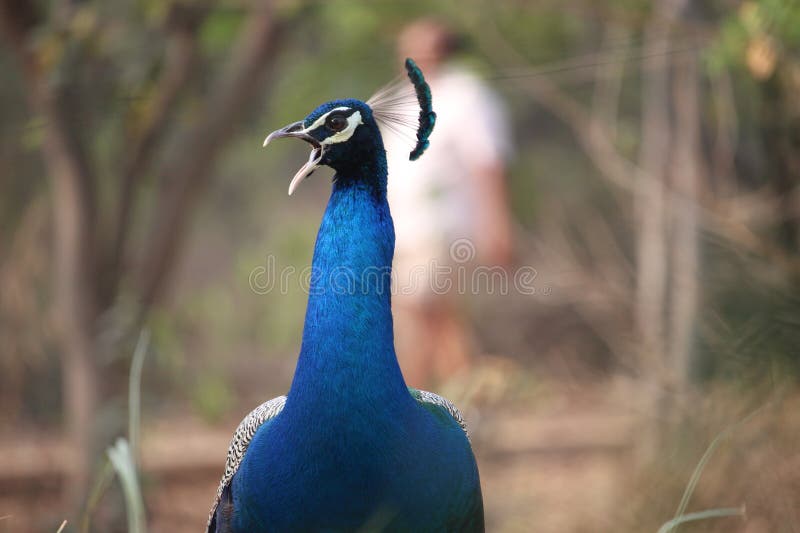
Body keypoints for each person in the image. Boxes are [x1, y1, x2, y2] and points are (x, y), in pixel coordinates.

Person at [386, 18, 514, 388]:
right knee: (439, 323)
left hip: (445, 228)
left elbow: (488, 164)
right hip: (406, 231)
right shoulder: (400, 100)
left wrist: (497, 226)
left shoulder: (466, 96)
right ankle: (465, 410)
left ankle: (404, 418)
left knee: (416, 313)